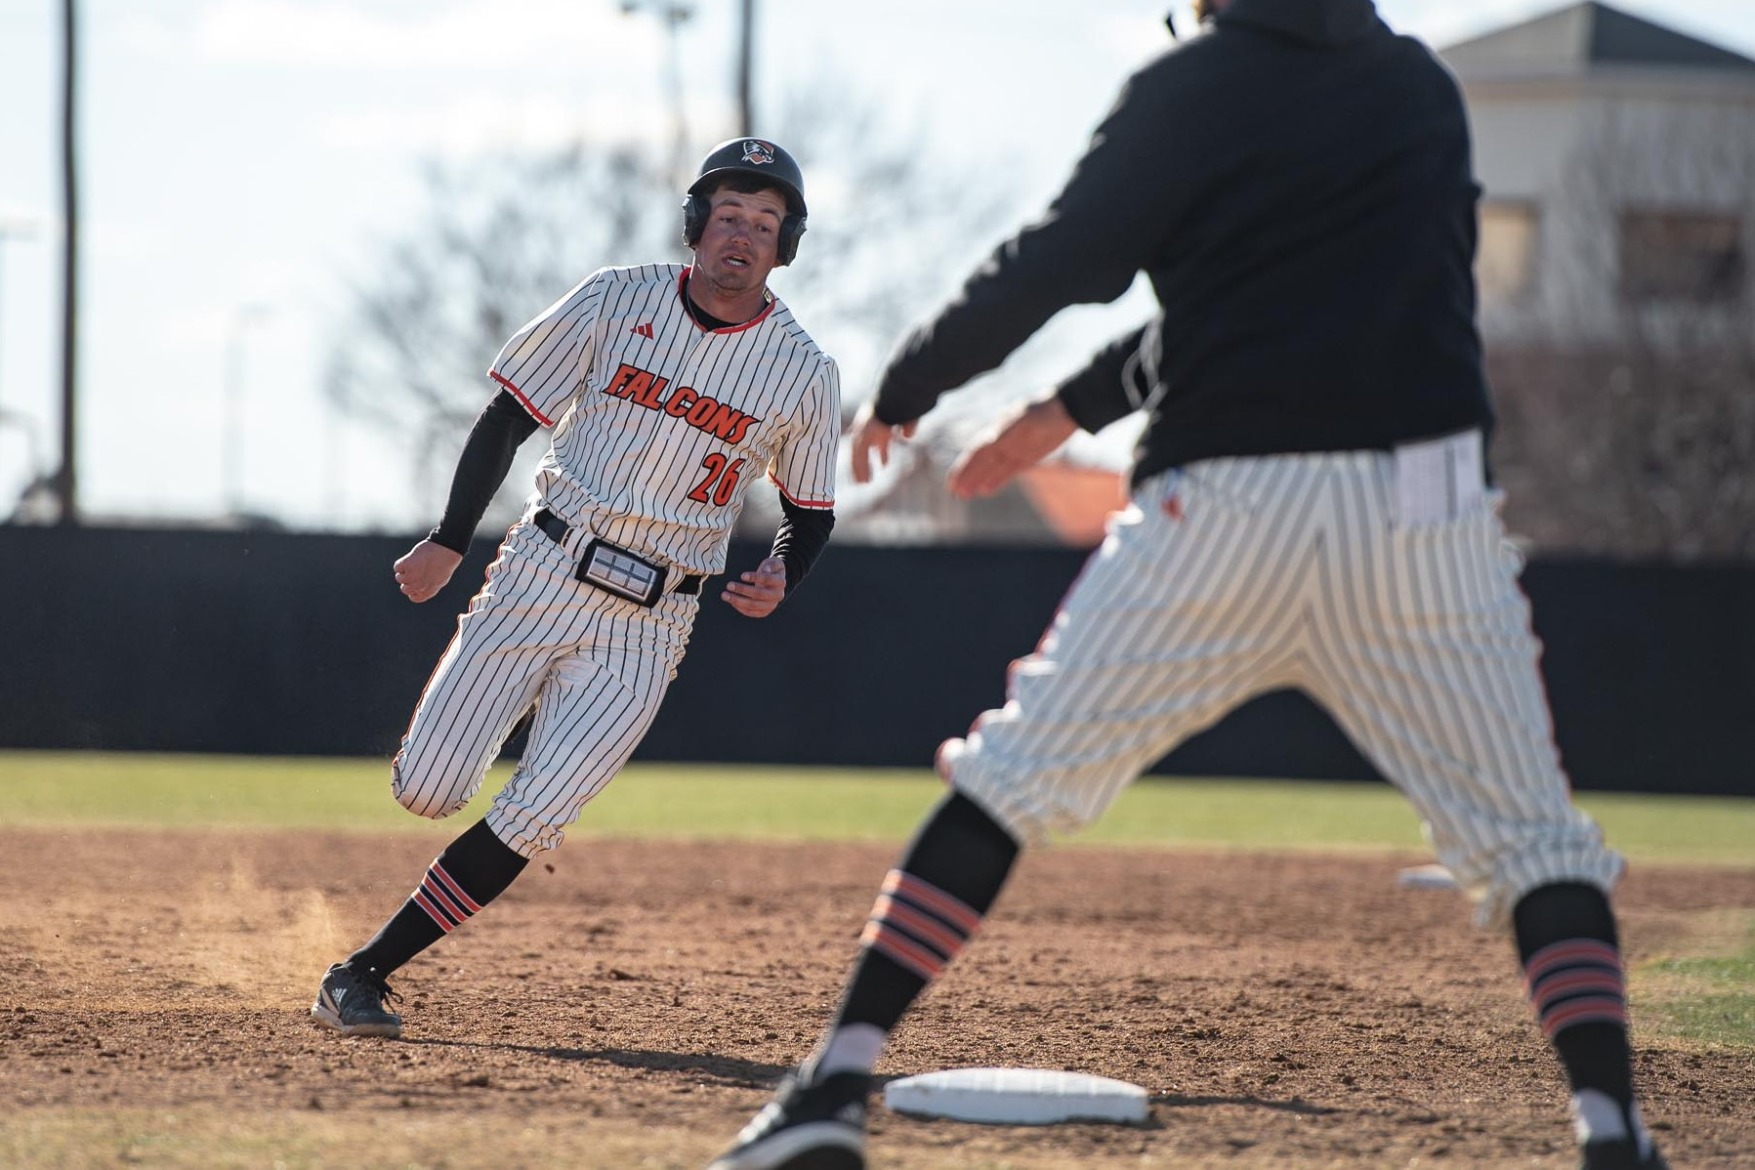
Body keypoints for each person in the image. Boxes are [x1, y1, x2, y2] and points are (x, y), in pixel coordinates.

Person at [707, 3, 1667, 1169]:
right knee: (1534, 841)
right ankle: (1613, 1135)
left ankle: (831, 1091)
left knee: (1011, 780)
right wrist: (1066, 413)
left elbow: (1062, 262)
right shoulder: (1419, 91)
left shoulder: (1193, 86)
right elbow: (1281, 298)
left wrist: (913, 379)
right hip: (1424, 510)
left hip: (1224, 509)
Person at [310, 137, 840, 1042]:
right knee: (430, 791)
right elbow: (508, 415)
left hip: (655, 617)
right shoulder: (615, 298)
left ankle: (361, 972)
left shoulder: (803, 370)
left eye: (765, 221)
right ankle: (446, 769)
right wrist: (448, 538)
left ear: (785, 243)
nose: (742, 236)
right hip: (545, 568)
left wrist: (784, 568)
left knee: (535, 812)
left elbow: (811, 508)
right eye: (727, 215)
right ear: (695, 224)